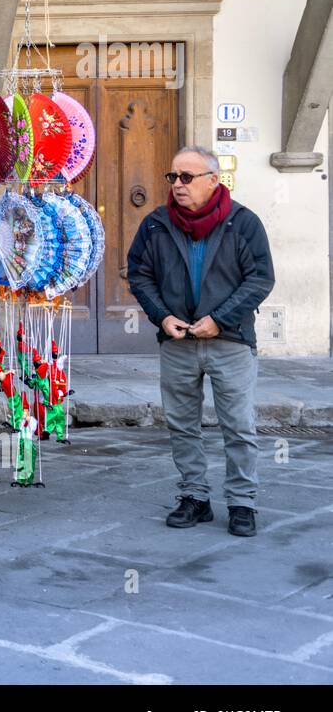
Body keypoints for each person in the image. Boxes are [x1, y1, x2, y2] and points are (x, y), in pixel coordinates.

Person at [126, 146, 275, 537]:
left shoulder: (243, 223)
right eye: (172, 177)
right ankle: (195, 496)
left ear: (213, 180)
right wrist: (163, 316)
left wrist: (220, 320)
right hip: (177, 342)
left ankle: (242, 502)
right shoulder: (157, 224)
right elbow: (139, 274)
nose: (177, 185)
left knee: (239, 425)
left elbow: (260, 278)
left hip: (231, 341)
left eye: (187, 177)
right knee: (181, 424)